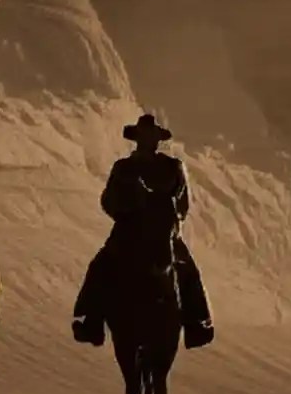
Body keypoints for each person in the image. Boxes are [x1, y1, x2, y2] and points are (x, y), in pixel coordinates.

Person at [71, 114, 215, 350]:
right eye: (147, 136)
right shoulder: (124, 168)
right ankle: (91, 321)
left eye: (154, 137)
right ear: (138, 138)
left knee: (188, 270)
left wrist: (172, 221)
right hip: (128, 232)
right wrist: (127, 210)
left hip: (164, 233)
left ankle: (197, 323)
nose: (151, 141)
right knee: (100, 265)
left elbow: (183, 204)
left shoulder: (173, 167)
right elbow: (108, 201)